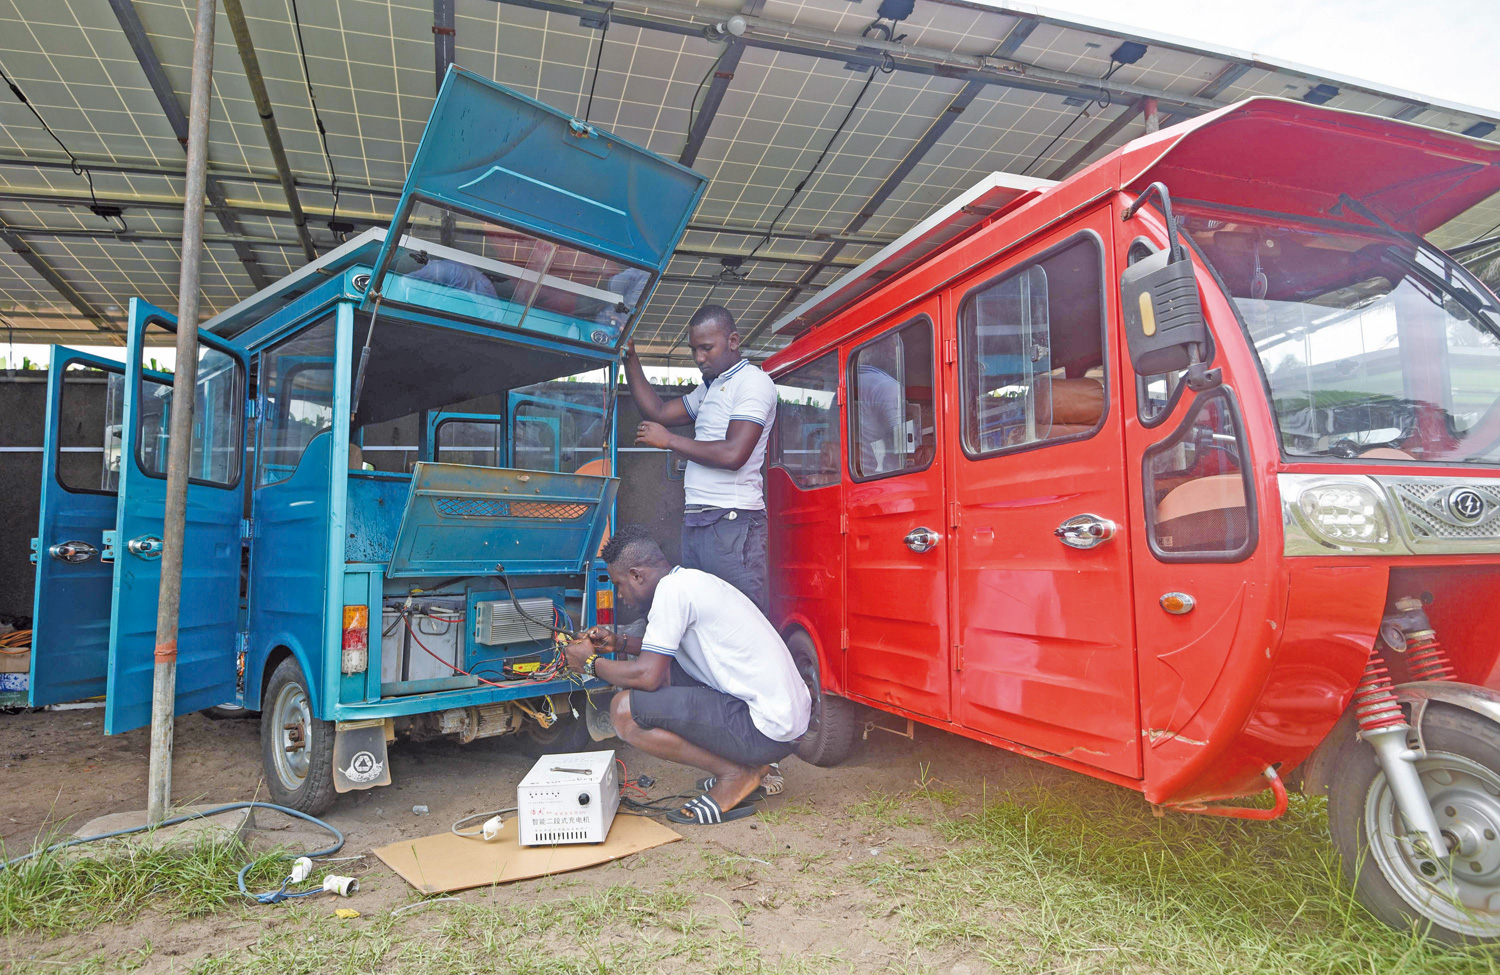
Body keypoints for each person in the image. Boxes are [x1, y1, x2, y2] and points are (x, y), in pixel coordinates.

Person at [563, 526, 810, 825]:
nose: (619, 594)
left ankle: (736, 774)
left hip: (766, 729)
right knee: (668, 674)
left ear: (637, 575)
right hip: (782, 723)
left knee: (623, 710)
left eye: (620, 584)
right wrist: (620, 643)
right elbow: (665, 651)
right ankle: (753, 767)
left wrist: (589, 663)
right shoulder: (688, 581)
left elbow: (648, 676)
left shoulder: (672, 592)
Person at [622, 304, 776, 612]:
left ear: (733, 341)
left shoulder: (753, 383)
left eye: (706, 348)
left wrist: (669, 441)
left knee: (738, 618)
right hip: (698, 520)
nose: (699, 358)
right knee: (704, 618)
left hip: (731, 521)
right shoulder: (710, 387)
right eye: (694, 350)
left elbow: (734, 453)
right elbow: (659, 412)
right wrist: (631, 359)